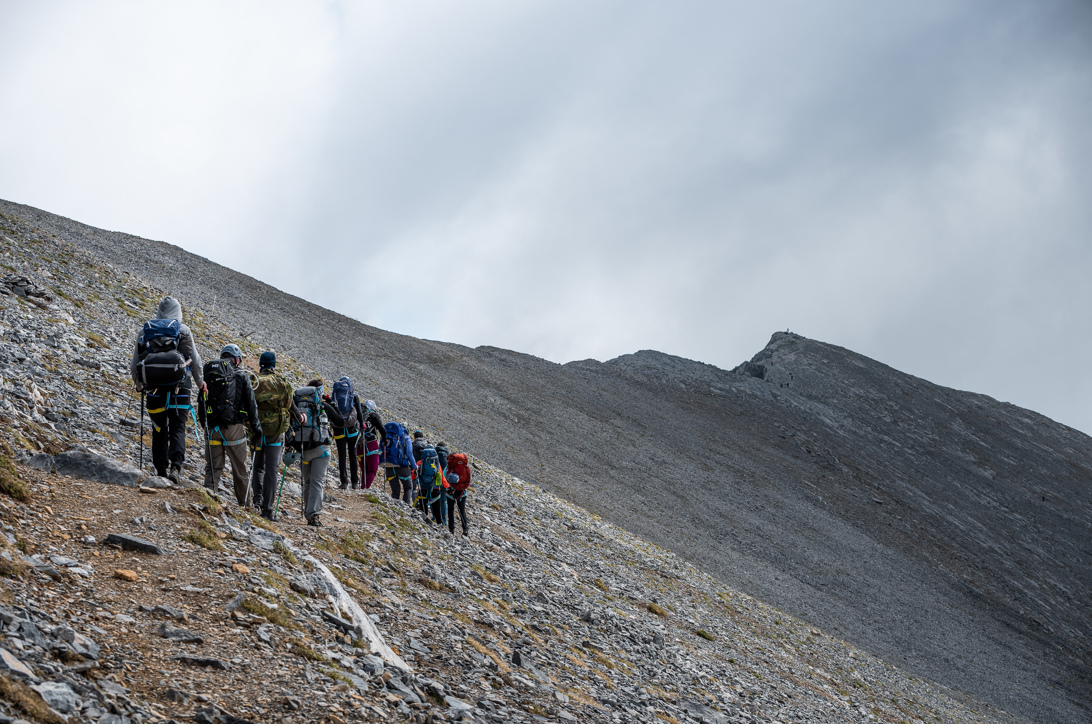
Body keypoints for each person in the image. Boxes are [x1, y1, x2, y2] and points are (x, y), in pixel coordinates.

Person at [130, 296, 205, 484]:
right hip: (181, 388)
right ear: (178, 312)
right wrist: (200, 382)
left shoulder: (145, 331)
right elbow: (196, 361)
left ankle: (160, 470)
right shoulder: (183, 330)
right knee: (178, 427)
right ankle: (176, 467)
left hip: (153, 389)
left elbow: (135, 364)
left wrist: (139, 385)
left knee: (158, 428)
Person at [199, 344, 261, 506]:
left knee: (213, 468)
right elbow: (251, 404)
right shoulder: (241, 375)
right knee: (240, 469)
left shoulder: (209, 373)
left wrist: (204, 424)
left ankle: (208, 501)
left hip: (212, 428)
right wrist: (256, 427)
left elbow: (201, 400)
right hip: (234, 428)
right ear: (237, 359)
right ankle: (246, 507)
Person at [250, 351, 303, 520]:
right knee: (271, 469)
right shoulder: (282, 383)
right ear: (273, 366)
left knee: (257, 467)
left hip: (256, 431)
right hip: (276, 432)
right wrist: (300, 417)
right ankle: (267, 510)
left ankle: (257, 501)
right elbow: (289, 406)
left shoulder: (253, 381)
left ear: (260, 365)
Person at [287, 378, 343, 526]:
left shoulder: (298, 405)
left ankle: (308, 513)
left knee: (307, 482)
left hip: (302, 448)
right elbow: (340, 421)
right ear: (320, 392)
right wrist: (331, 403)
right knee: (317, 482)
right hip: (321, 449)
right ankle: (313, 516)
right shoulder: (323, 405)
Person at [330, 377, 364, 490]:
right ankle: (354, 482)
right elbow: (359, 413)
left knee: (342, 455)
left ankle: (344, 482)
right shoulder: (353, 396)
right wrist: (362, 424)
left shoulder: (335, 396)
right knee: (353, 455)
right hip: (351, 429)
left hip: (339, 428)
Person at [381, 421, 416, 505]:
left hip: (388, 466)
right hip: (401, 466)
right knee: (408, 487)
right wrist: (414, 466)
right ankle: (406, 506)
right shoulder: (406, 438)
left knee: (395, 490)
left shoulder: (387, 436)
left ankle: (394, 506)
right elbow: (409, 453)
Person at [356, 399, 387, 489]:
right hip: (371, 444)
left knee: (364, 469)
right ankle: (366, 487)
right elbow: (382, 430)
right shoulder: (374, 415)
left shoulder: (359, 414)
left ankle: (362, 486)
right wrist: (385, 440)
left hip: (359, 444)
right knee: (372, 469)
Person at [445, 451, 472, 537]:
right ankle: (465, 529)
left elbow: (445, 479)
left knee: (450, 510)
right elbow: (468, 481)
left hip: (451, 491)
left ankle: (451, 529)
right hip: (462, 492)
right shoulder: (466, 467)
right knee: (462, 510)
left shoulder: (449, 468)